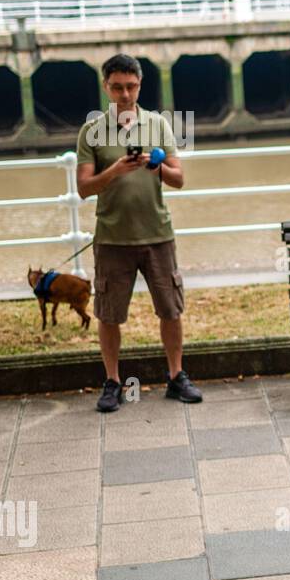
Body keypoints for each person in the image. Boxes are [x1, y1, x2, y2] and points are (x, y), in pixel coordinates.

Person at [77, 54, 201, 412]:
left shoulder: (159, 125)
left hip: (157, 233)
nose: (125, 94)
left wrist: (155, 166)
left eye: (131, 86)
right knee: (109, 313)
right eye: (117, 87)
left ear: (140, 85)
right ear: (106, 87)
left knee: (170, 310)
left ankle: (176, 377)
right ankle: (113, 382)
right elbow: (84, 187)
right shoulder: (92, 131)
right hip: (112, 237)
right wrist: (115, 170)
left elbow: (179, 179)